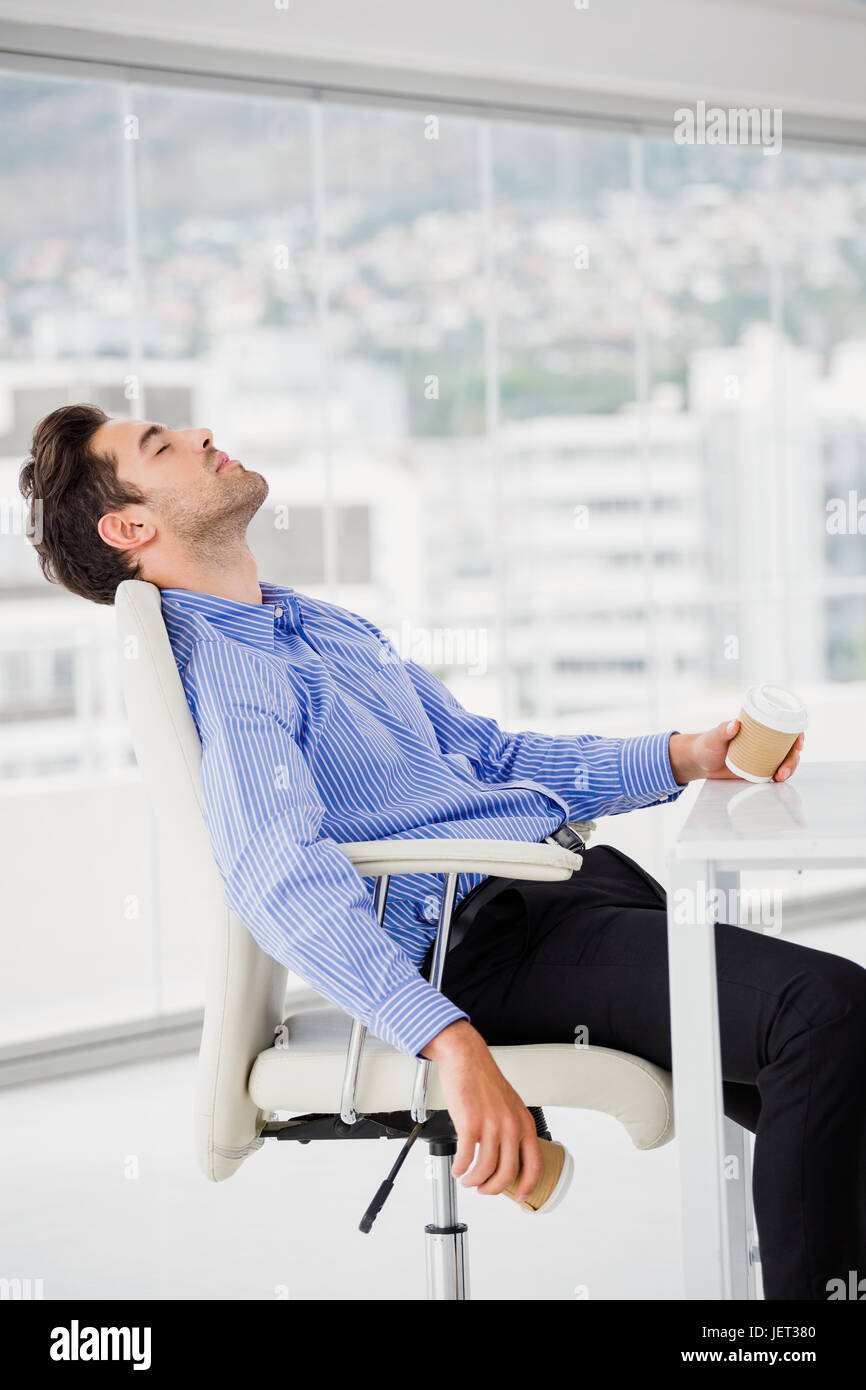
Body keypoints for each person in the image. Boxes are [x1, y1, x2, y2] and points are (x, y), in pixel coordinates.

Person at [19, 403, 866, 1301]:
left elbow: (490, 759)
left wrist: (681, 756)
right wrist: (449, 1044)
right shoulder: (230, 673)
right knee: (825, 1013)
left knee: (827, 1090)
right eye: (161, 447)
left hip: (565, 894)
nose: (197, 436)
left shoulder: (318, 626)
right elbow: (279, 877)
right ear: (130, 526)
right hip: (485, 945)